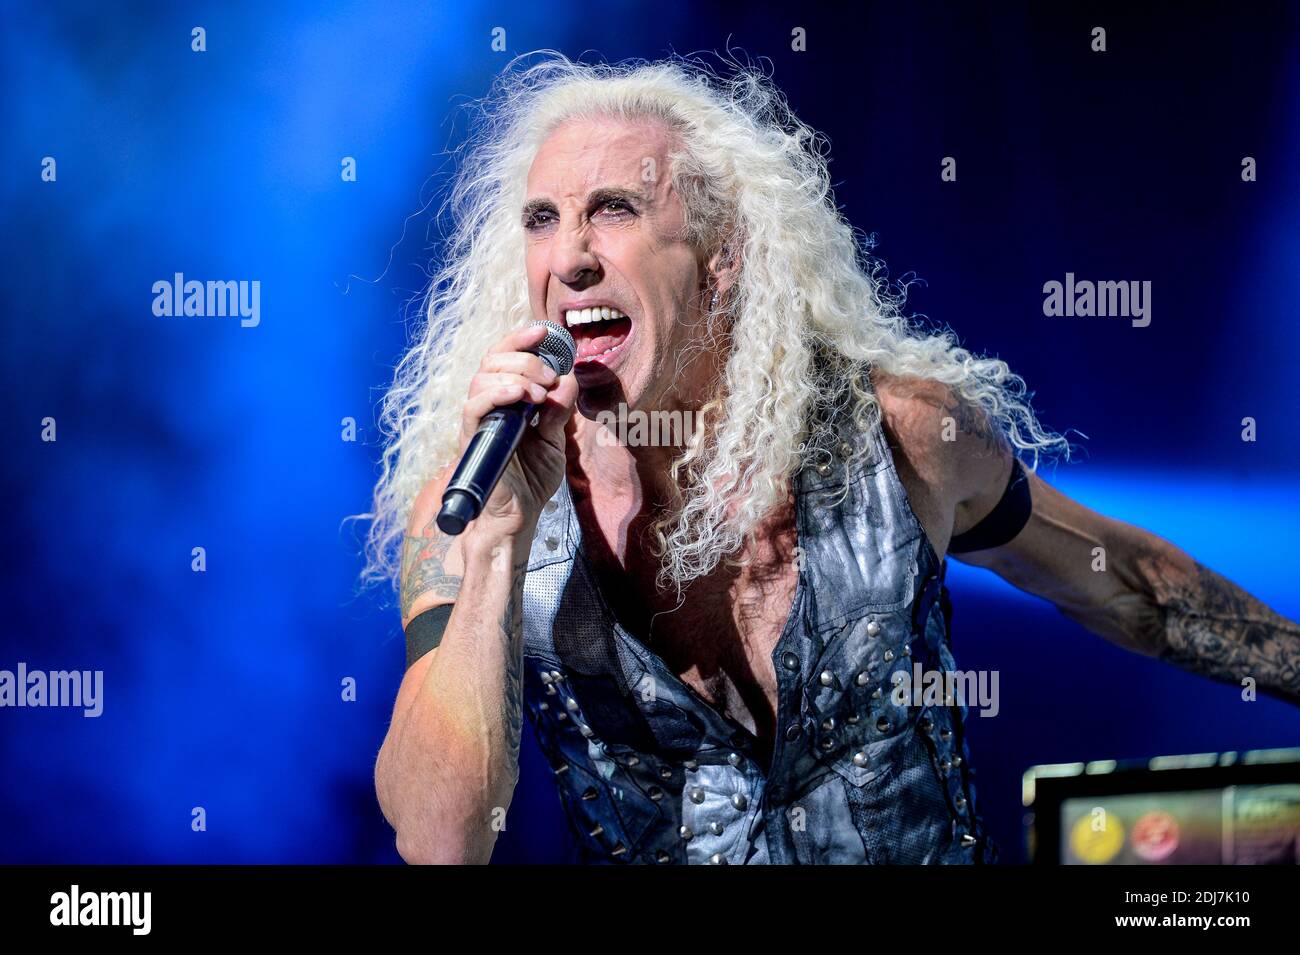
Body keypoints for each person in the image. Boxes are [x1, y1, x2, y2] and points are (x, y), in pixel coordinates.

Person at [366, 56, 1299, 864]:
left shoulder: (899, 440)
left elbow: (1125, 582)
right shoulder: (472, 504)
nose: (570, 255)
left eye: (614, 209)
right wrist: (495, 552)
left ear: (720, 253)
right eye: (542, 218)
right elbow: (440, 840)